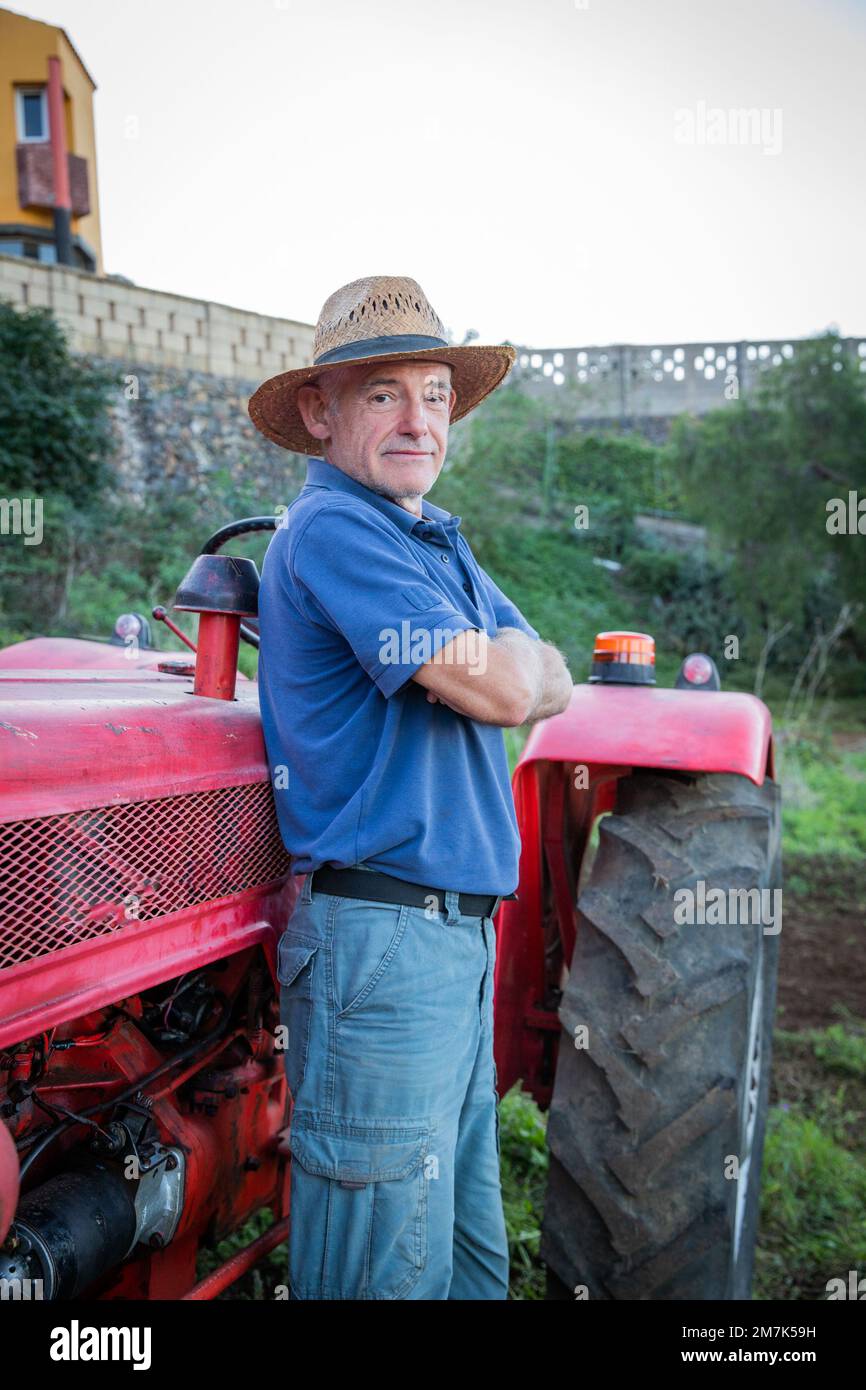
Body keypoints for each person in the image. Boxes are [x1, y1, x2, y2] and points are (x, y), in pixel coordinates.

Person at [249, 275, 572, 1300]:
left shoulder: (429, 538)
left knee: (465, 1260)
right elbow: (510, 679)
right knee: (385, 1274)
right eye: (382, 392)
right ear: (320, 412)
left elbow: (545, 680)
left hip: (450, 948)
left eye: (434, 394)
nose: (416, 419)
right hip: (384, 946)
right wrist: (512, 671)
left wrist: (514, 671)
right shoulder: (337, 531)